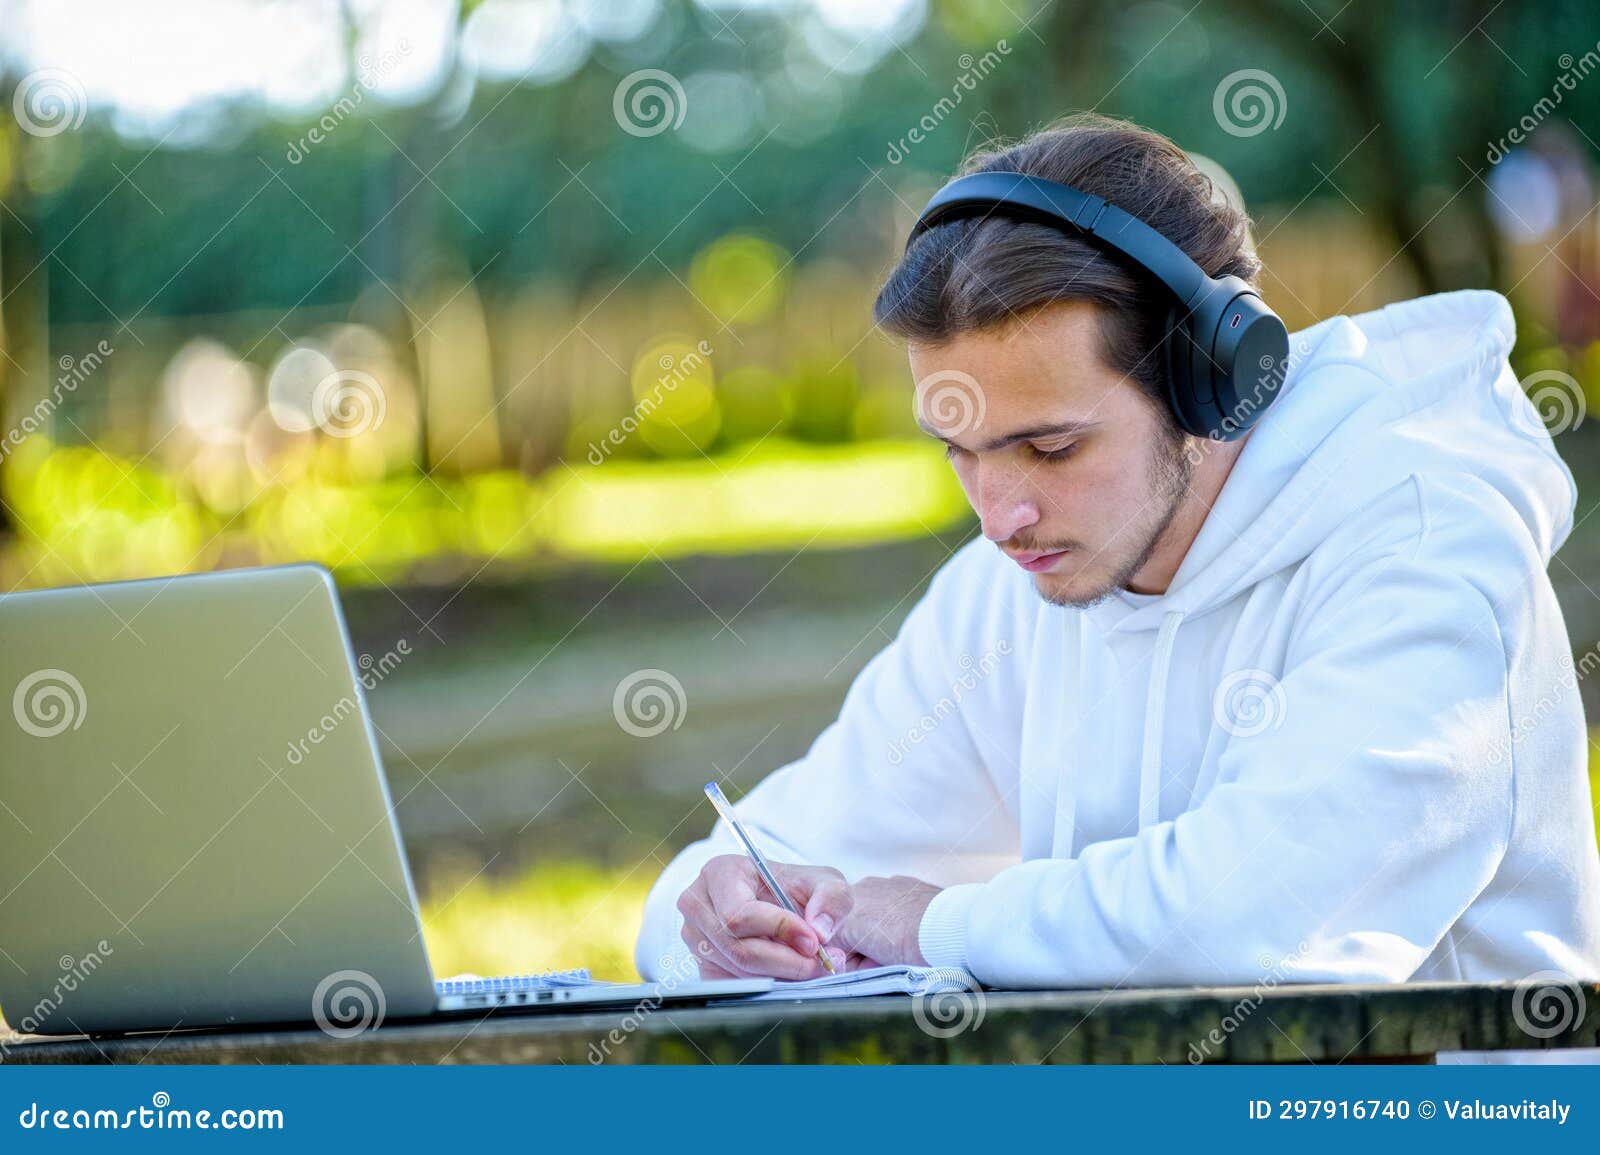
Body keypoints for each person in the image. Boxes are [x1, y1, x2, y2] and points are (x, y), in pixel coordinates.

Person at [634, 112, 1600, 993]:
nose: (1000, 515)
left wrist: (927, 920)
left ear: (1218, 381)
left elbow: (1250, 918)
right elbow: (755, 859)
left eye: (1051, 446)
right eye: (961, 453)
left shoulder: (1428, 547)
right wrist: (719, 917)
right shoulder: (1009, 590)